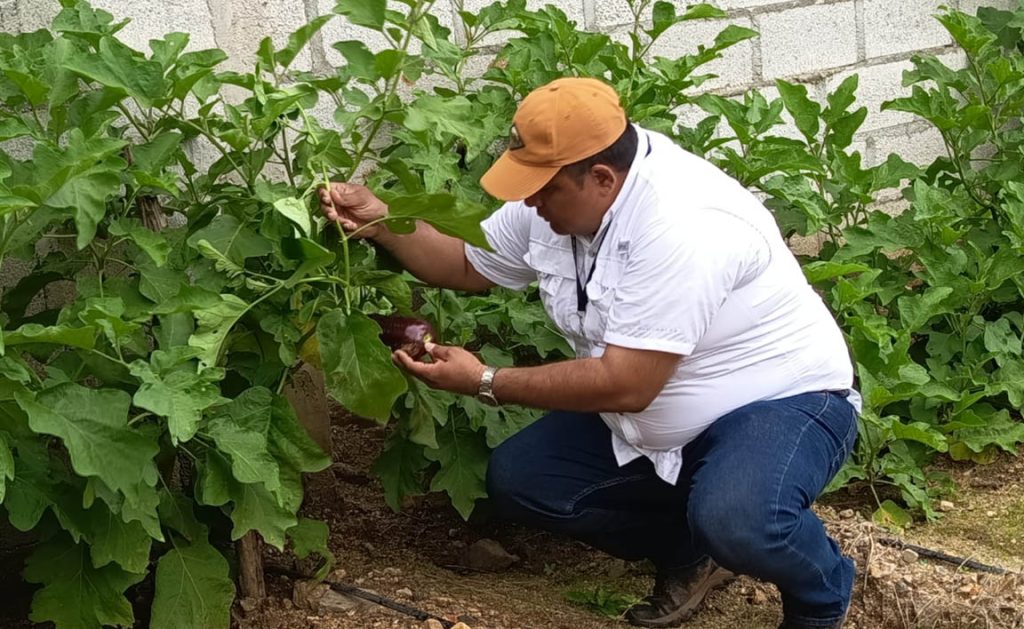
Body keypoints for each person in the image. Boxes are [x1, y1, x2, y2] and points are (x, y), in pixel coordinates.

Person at [319, 76, 860, 629]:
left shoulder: (684, 224)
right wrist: (380, 219)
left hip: (780, 401)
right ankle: (692, 552)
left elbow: (627, 383)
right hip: (655, 412)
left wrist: (485, 380)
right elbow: (463, 262)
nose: (529, 201)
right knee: (525, 481)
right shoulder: (565, 192)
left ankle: (821, 591)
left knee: (743, 519)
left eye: (542, 189)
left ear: (602, 178)